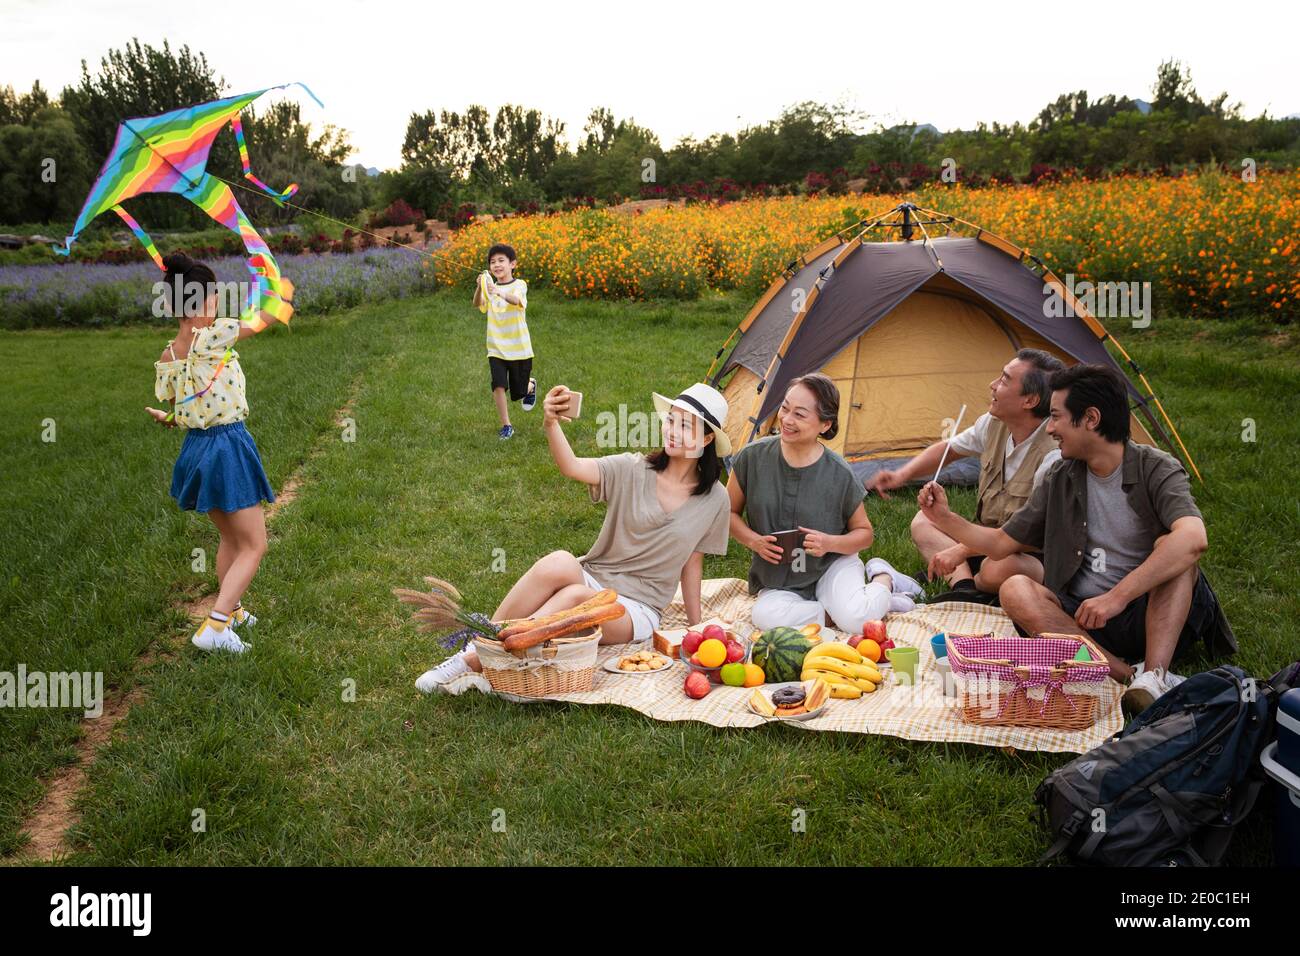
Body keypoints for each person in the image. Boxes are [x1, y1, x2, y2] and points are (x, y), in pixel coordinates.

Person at [916, 363, 1235, 714]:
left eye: (1056, 417)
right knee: (1014, 588)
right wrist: (945, 518)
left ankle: (1156, 673)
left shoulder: (1155, 467)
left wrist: (1116, 597)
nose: (1050, 428)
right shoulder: (1060, 475)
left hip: (1149, 614)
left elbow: (1194, 538)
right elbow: (1002, 544)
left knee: (1175, 554)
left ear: (1091, 419)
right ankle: (1126, 674)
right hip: (1080, 621)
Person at [416, 383, 733, 692]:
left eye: (686, 426)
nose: (673, 431)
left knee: (574, 597)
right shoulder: (633, 469)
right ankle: (476, 645)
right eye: (672, 420)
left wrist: (696, 627)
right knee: (560, 561)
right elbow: (571, 467)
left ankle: (481, 660)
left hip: (638, 608)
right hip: (597, 577)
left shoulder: (715, 500)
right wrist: (551, 423)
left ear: (707, 438)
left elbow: (693, 562)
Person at [146, 253, 284, 653]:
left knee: (230, 538)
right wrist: (279, 290)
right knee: (255, 544)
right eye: (213, 295)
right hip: (226, 447)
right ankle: (216, 627)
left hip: (196, 451)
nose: (219, 300)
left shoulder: (170, 353)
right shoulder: (213, 334)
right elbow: (265, 319)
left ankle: (233, 607)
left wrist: (169, 418)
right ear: (198, 303)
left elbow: (184, 404)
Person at [727, 373, 921, 635]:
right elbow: (728, 512)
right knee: (764, 617)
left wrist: (828, 543)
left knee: (854, 623)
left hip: (832, 566)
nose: (786, 419)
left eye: (800, 414)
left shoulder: (838, 473)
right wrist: (753, 540)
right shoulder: (753, 457)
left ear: (824, 424)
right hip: (779, 579)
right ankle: (854, 608)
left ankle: (883, 580)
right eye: (785, 408)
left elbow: (865, 534)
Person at [869, 349, 1064, 604]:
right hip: (984, 541)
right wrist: (902, 474)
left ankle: (975, 582)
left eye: (1004, 380)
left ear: (1029, 400)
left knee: (998, 569)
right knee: (922, 521)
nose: (992, 385)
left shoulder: (1053, 454)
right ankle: (965, 588)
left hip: (1028, 554)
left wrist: (960, 549)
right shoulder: (994, 424)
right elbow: (950, 449)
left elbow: (1030, 536)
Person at [473, 243, 536, 440]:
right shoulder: (489, 288)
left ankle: (530, 386)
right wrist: (480, 288)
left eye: (501, 261)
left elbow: (517, 301)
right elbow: (477, 304)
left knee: (518, 393)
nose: (497, 265)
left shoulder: (520, 285)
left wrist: (497, 291)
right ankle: (506, 425)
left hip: (519, 349)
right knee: (498, 385)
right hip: (496, 348)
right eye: (493, 262)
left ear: (512, 264)